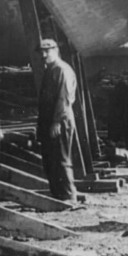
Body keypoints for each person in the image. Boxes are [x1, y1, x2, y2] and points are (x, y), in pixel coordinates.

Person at [36, 36, 80, 203]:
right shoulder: (51, 69)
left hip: (60, 121)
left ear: (55, 51)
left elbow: (64, 98)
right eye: (42, 52)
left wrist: (56, 122)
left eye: (47, 51)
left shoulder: (61, 70)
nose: (44, 55)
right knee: (51, 160)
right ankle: (57, 196)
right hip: (50, 121)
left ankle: (68, 196)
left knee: (61, 160)